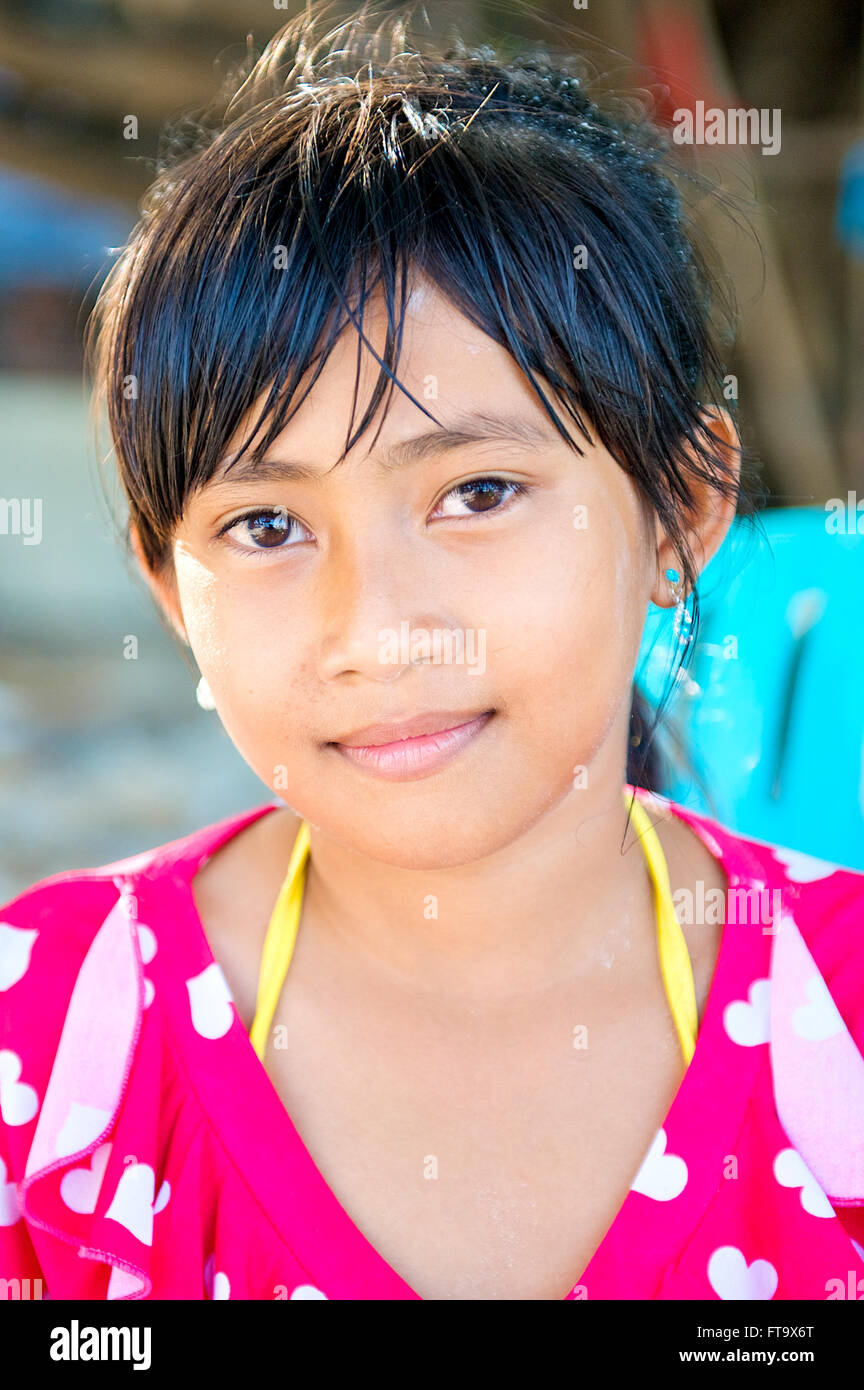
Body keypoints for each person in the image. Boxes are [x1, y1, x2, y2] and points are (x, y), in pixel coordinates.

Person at [2, 0, 863, 1302]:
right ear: (169, 587)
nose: (377, 626)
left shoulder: (841, 1017)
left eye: (477, 493)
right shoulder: (48, 1046)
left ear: (681, 510)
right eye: (268, 522)